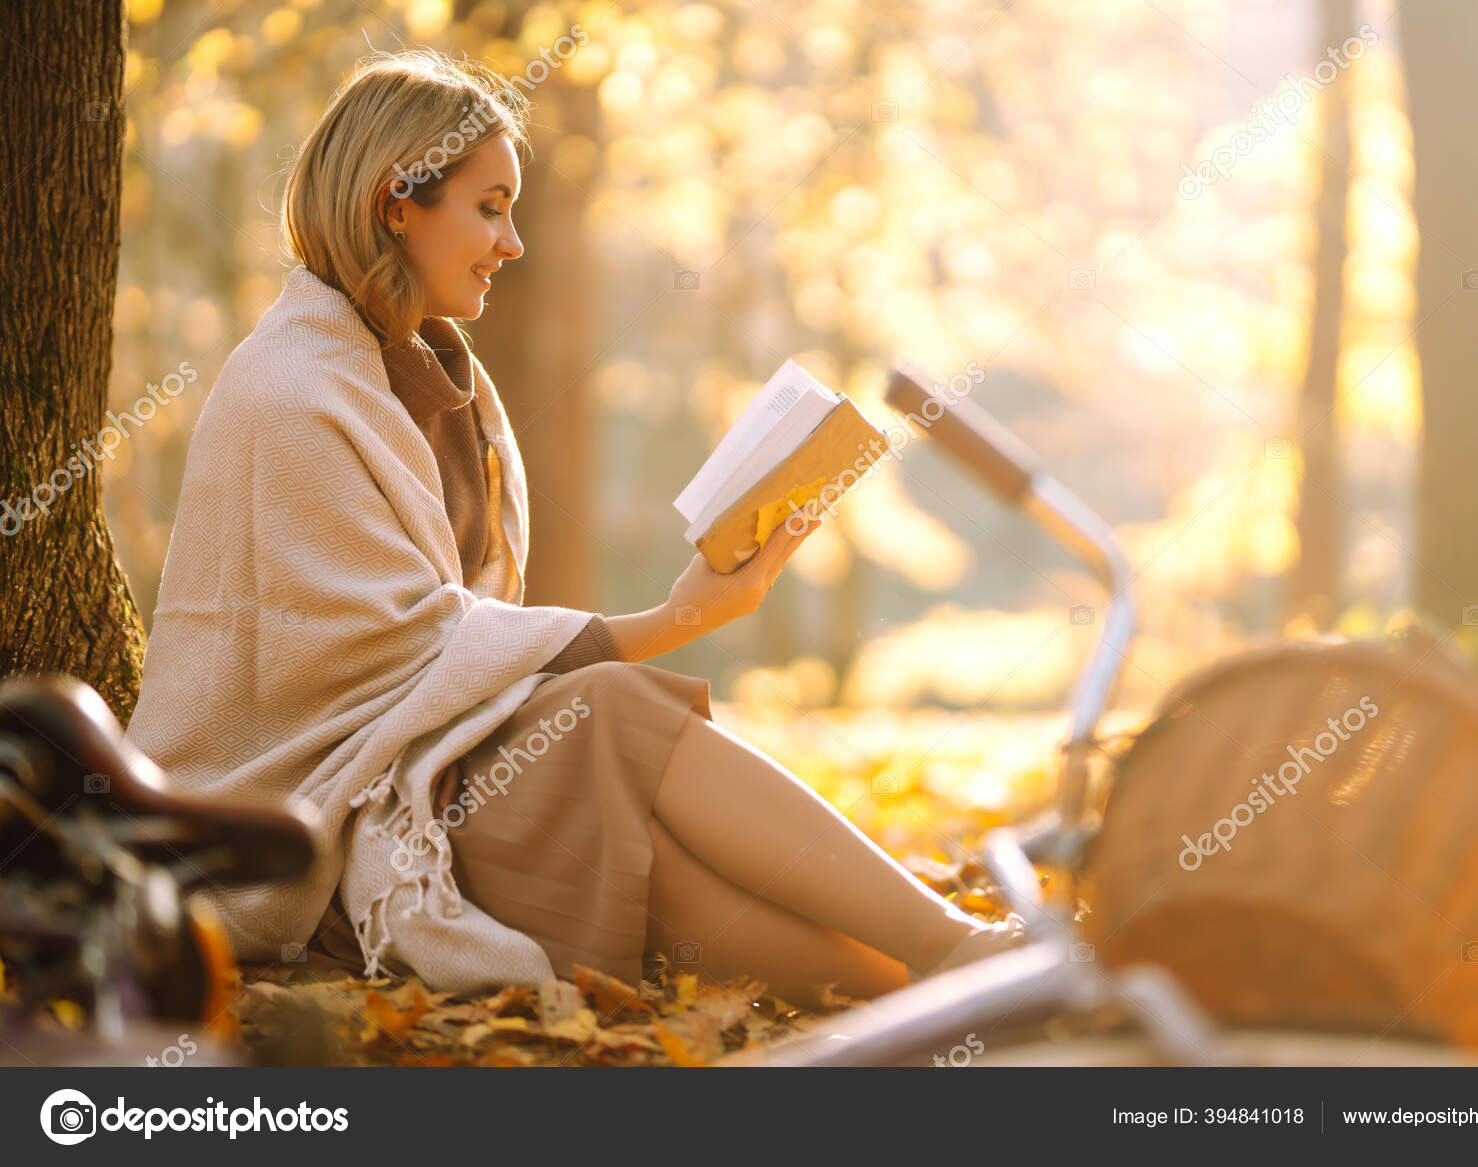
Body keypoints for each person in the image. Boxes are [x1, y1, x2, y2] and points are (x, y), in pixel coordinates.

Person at [127, 48, 1022, 1013]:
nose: (512, 242)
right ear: (397, 204)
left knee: (644, 839)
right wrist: (678, 617)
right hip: (334, 822)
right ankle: (959, 949)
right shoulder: (290, 392)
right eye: (490, 206)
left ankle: (961, 987)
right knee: (612, 709)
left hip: (443, 769)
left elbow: (456, 640)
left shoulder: (435, 376)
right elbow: (396, 647)